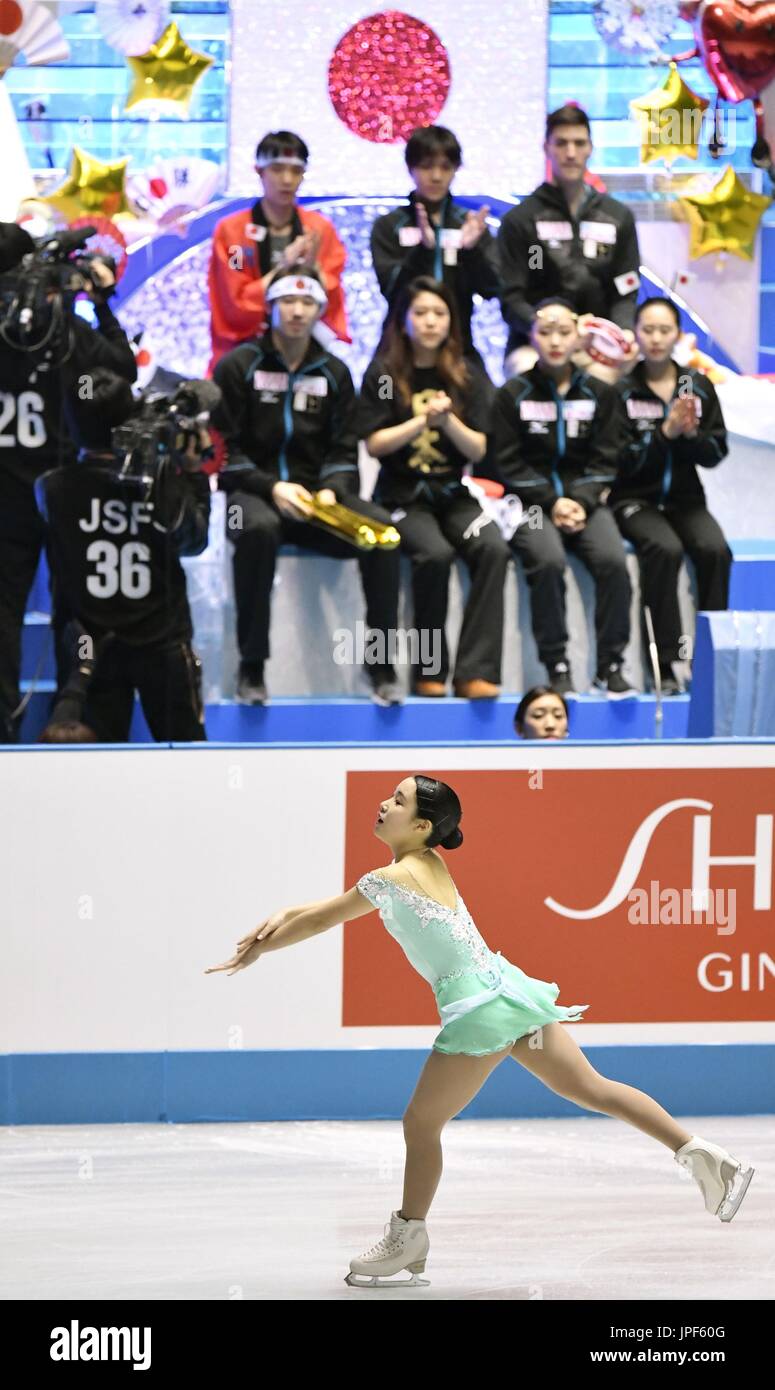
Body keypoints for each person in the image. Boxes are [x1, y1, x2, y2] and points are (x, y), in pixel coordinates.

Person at [206, 773, 754, 1288]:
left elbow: (327, 917)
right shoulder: (424, 864)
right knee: (591, 1088)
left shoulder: (391, 877)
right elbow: (329, 905)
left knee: (421, 1123)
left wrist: (258, 952)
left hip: (479, 1011)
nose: (384, 804)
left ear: (421, 826)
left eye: (398, 801)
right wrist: (283, 912)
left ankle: (407, 1237)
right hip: (507, 992)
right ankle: (706, 1156)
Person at [212, 265, 403, 707]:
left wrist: (331, 491)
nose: (297, 312)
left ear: (320, 309)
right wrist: (272, 488)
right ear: (271, 306)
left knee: (384, 537)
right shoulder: (239, 365)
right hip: (255, 496)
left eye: (307, 303)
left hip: (317, 500)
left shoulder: (334, 371)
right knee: (256, 531)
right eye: (287, 302)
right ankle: (252, 667)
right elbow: (224, 453)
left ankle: (381, 667)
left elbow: (343, 449)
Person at [0, 240, 137, 742]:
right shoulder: (63, 332)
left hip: (16, 497)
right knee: (74, 609)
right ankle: (70, 713)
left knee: (6, 611)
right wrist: (102, 304)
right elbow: (123, 370)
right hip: (62, 492)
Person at [35, 369, 211, 743]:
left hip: (88, 643)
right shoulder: (160, 481)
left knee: (95, 773)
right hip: (162, 639)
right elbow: (194, 541)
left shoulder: (50, 489)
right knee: (189, 759)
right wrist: (192, 472)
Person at [357, 277, 510, 698]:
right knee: (434, 554)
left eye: (439, 314)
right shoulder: (384, 373)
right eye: (420, 313)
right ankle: (429, 671)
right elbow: (373, 444)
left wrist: (449, 423)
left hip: (453, 492)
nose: (430, 322)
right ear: (403, 320)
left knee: (493, 548)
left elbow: (479, 447)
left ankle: (475, 670)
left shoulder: (466, 373)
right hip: (402, 495)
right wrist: (420, 423)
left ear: (451, 322)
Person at [487, 297, 635, 698]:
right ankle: (557, 664)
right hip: (530, 505)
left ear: (579, 338)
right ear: (531, 337)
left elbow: (607, 460)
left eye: (564, 332)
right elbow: (507, 464)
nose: (555, 340)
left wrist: (580, 501)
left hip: (586, 503)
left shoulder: (601, 395)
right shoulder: (511, 395)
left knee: (613, 562)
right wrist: (552, 502)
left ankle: (611, 664)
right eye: (545, 331)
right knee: (548, 562)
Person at [610, 297, 731, 695]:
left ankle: (709, 655)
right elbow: (619, 462)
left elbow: (716, 453)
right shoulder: (622, 391)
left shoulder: (696, 386)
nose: (657, 339)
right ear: (636, 336)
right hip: (635, 500)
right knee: (664, 550)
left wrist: (692, 436)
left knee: (715, 550)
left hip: (684, 499)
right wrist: (664, 434)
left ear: (678, 335)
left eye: (665, 331)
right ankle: (664, 662)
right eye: (648, 330)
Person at [498, 105, 641, 381]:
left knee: (621, 377)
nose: (571, 153)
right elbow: (511, 298)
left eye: (579, 143)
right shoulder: (520, 220)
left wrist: (622, 333)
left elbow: (625, 291)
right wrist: (550, 332)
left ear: (590, 148)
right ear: (546, 148)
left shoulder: (618, 217)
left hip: (597, 349)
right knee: (525, 375)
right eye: (561, 143)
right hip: (535, 348)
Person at [208, 130, 350, 369]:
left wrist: (311, 271)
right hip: (244, 353)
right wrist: (284, 270)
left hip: (306, 351)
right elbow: (234, 300)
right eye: (277, 169)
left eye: (295, 171)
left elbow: (331, 297)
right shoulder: (234, 234)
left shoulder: (319, 230)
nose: (286, 179)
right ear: (259, 171)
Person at [370, 125, 501, 371]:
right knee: (380, 392)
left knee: (486, 401)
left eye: (445, 167)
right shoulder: (388, 226)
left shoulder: (469, 225)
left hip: (459, 345)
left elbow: (492, 288)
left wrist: (471, 251)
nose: (436, 176)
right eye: (427, 166)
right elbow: (390, 288)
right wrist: (423, 250)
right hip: (399, 345)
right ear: (411, 168)